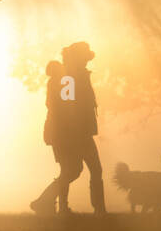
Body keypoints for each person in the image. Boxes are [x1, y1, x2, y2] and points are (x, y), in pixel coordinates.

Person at [60, 41, 106, 214]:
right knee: (91, 169)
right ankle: (98, 208)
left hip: (81, 131)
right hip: (78, 133)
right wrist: (74, 129)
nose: (87, 61)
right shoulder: (69, 77)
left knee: (72, 171)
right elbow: (66, 105)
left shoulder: (73, 75)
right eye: (84, 57)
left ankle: (66, 206)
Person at [30, 61, 82, 213]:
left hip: (56, 132)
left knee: (67, 171)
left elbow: (50, 105)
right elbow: (69, 106)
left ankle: (52, 203)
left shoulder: (52, 83)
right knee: (72, 170)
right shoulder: (67, 81)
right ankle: (47, 202)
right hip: (64, 133)